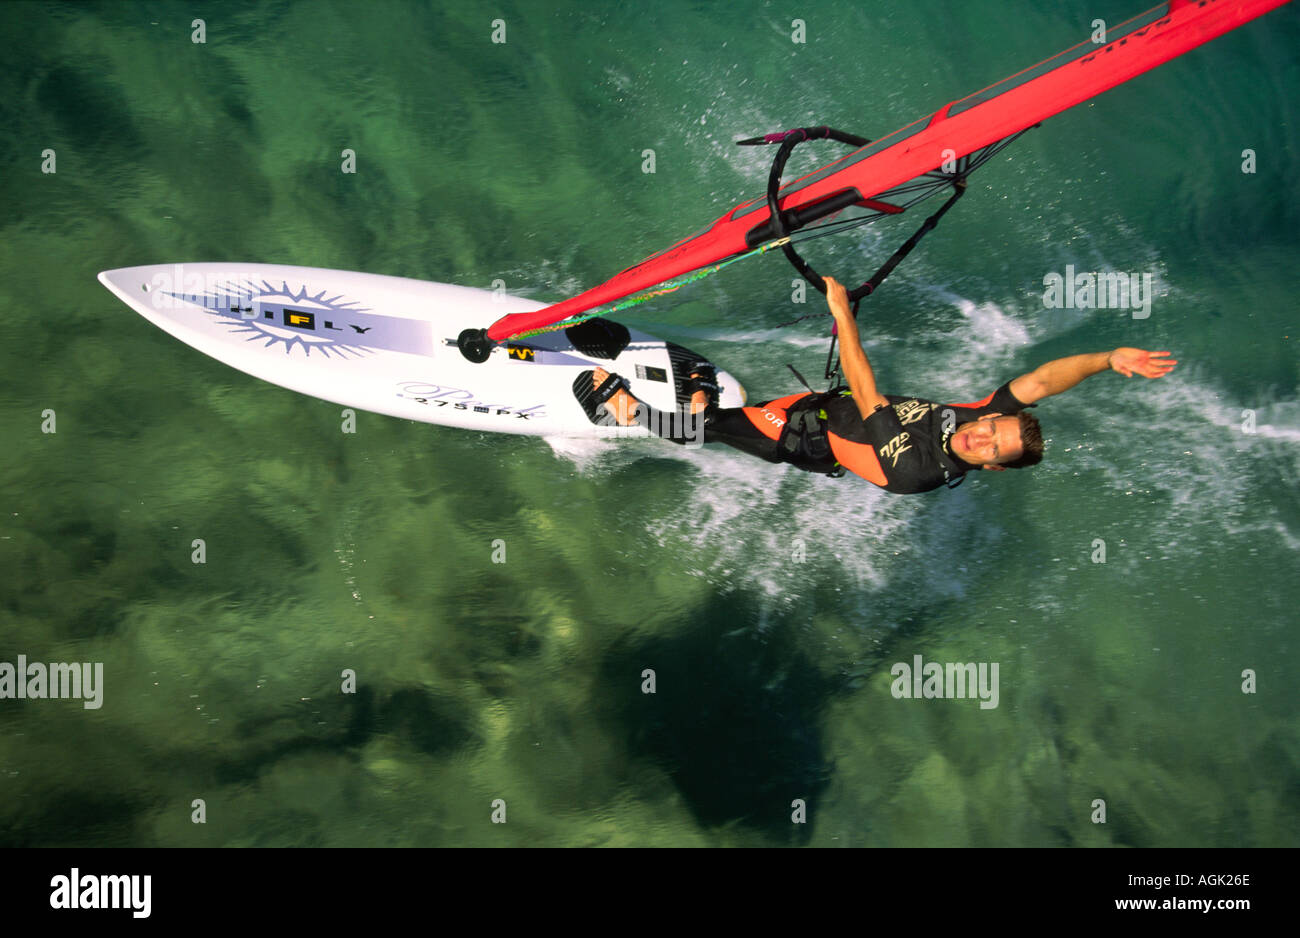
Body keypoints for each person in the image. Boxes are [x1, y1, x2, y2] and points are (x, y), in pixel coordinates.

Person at [581, 276, 1177, 493]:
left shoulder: (919, 469)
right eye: (994, 429)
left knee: (710, 426)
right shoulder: (976, 417)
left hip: (798, 435)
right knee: (733, 414)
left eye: (994, 450)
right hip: (819, 405)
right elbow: (1043, 379)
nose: (983, 439)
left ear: (992, 468)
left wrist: (842, 312)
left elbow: (868, 394)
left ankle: (633, 413)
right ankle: (705, 402)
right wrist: (1106, 357)